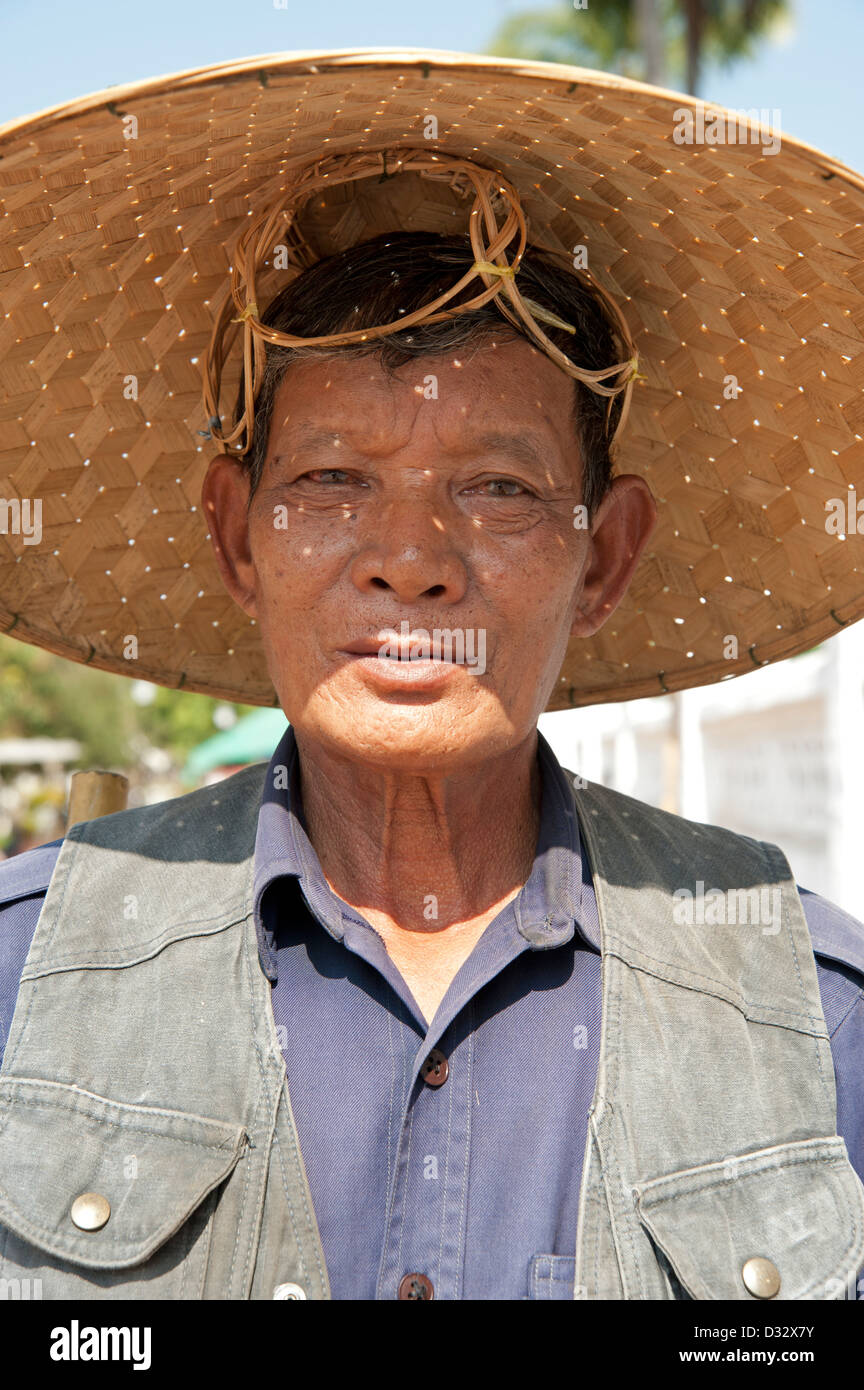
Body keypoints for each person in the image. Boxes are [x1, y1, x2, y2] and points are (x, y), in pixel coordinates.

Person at [1, 51, 864, 1302]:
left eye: (499, 489)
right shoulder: (28, 979)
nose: (410, 564)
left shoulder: (810, 1017)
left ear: (605, 555)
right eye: (332, 481)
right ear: (237, 537)